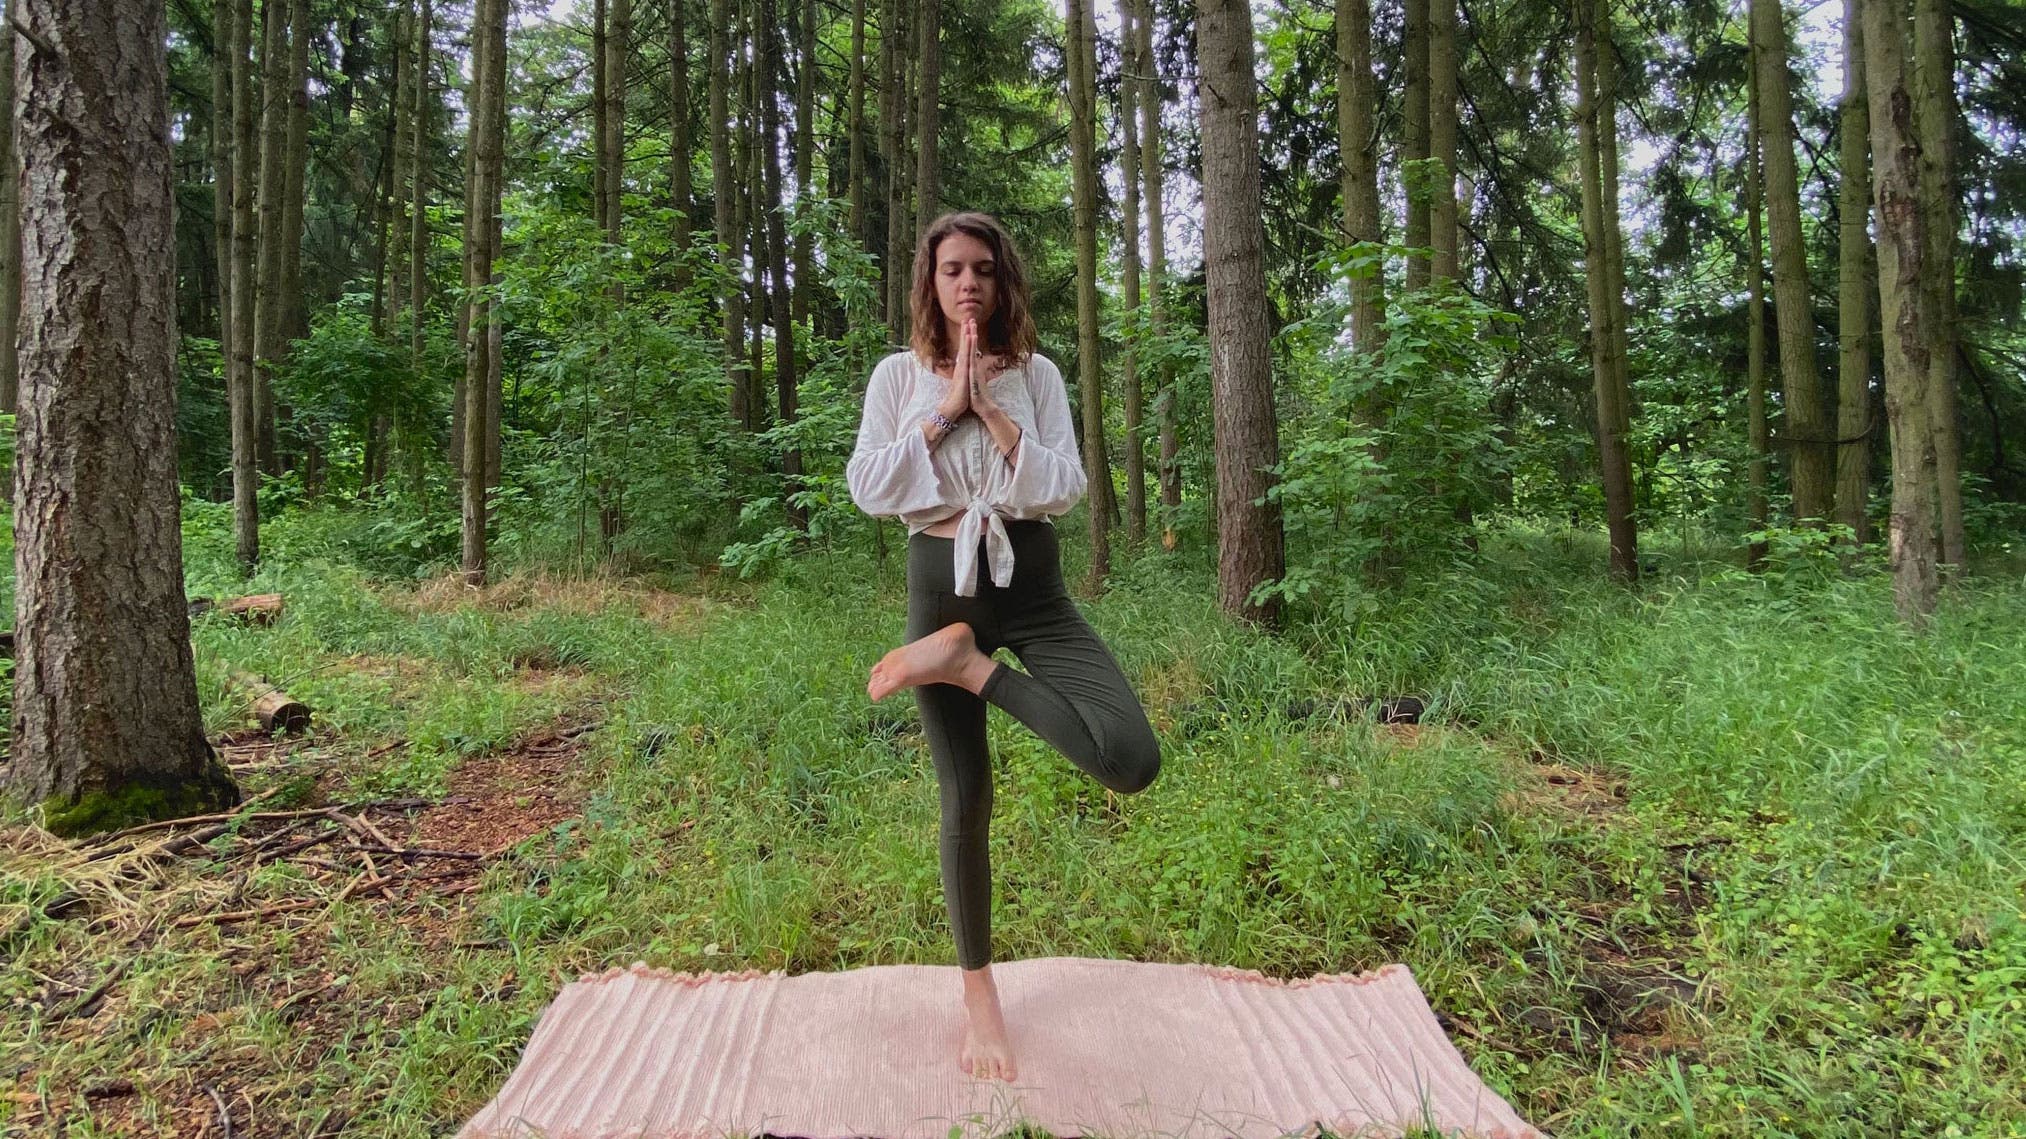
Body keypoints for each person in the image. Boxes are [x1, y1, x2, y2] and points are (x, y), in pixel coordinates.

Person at [845, 212, 1163, 1083]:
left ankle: (967, 665)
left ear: (1003, 280)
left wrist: (995, 410)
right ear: (930, 282)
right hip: (939, 579)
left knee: (1130, 757)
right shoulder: (895, 376)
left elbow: (1065, 487)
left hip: (1033, 588)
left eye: (983, 269)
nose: (968, 284)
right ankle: (978, 991)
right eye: (951, 269)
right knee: (967, 796)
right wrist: (947, 412)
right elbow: (869, 487)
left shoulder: (1039, 374)